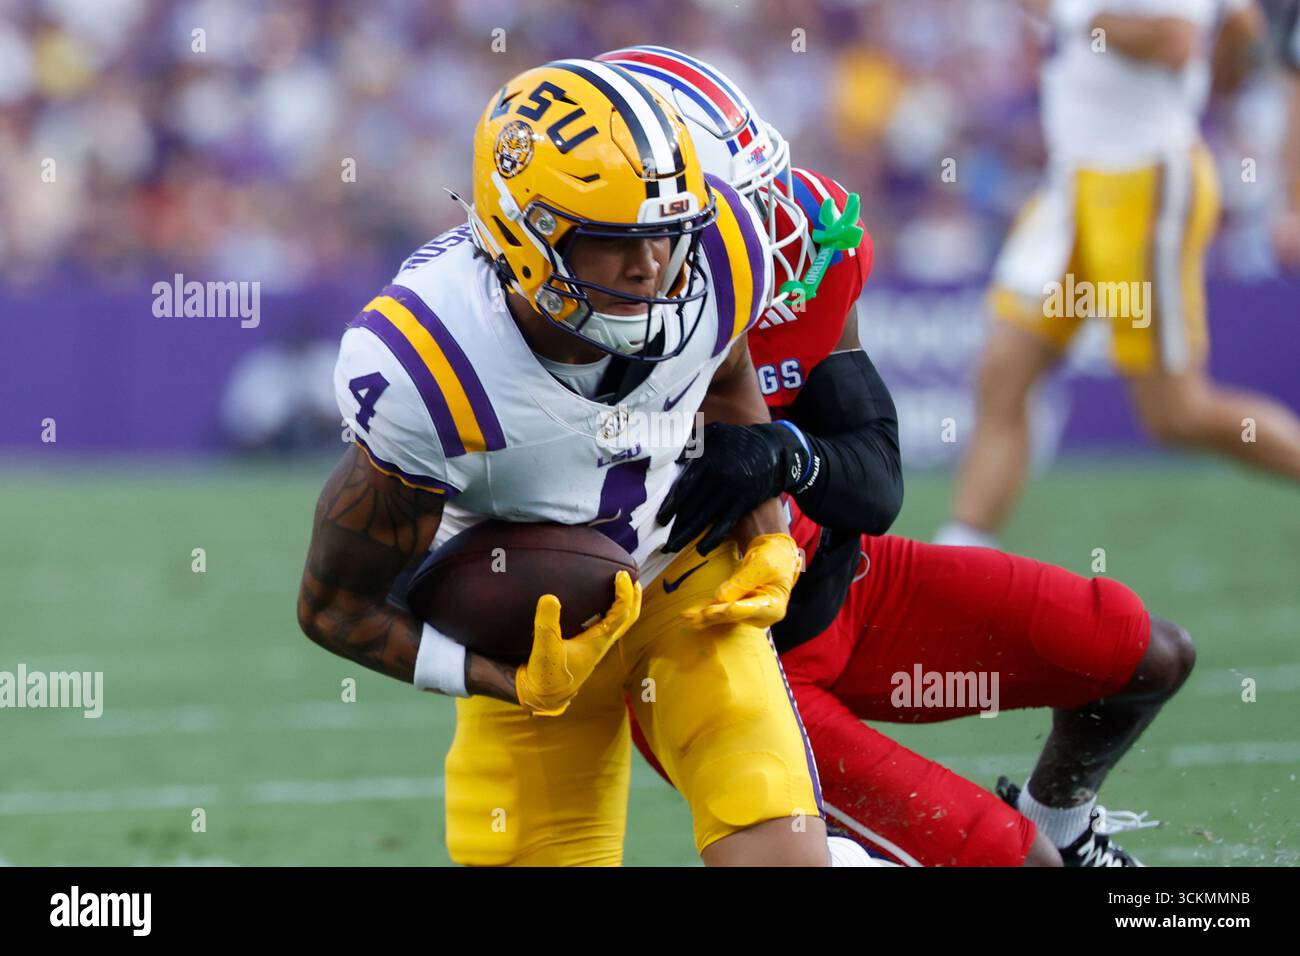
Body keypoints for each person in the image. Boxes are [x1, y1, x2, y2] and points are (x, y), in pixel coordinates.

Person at [599, 45, 1195, 866]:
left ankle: (1066, 823)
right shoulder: (571, 333)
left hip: (843, 586)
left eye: (764, 191)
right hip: (725, 657)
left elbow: (874, 482)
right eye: (736, 205)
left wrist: (787, 455)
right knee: (1013, 863)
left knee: (1142, 653)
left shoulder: (808, 247)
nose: (771, 226)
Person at [297, 58, 838, 866]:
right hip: (532, 628)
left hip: (685, 579)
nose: (652, 267)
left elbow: (721, 370)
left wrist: (767, 530)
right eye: (614, 241)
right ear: (525, 232)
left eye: (664, 235)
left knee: (779, 846)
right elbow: (335, 608)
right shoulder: (432, 363)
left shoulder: (718, 249)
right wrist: (497, 676)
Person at [937, 0, 1300, 550]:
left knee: (1175, 413)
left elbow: (1176, 43)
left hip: (1143, 185)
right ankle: (961, 550)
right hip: (1074, 184)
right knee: (1002, 373)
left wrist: (1074, 13)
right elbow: (1238, 29)